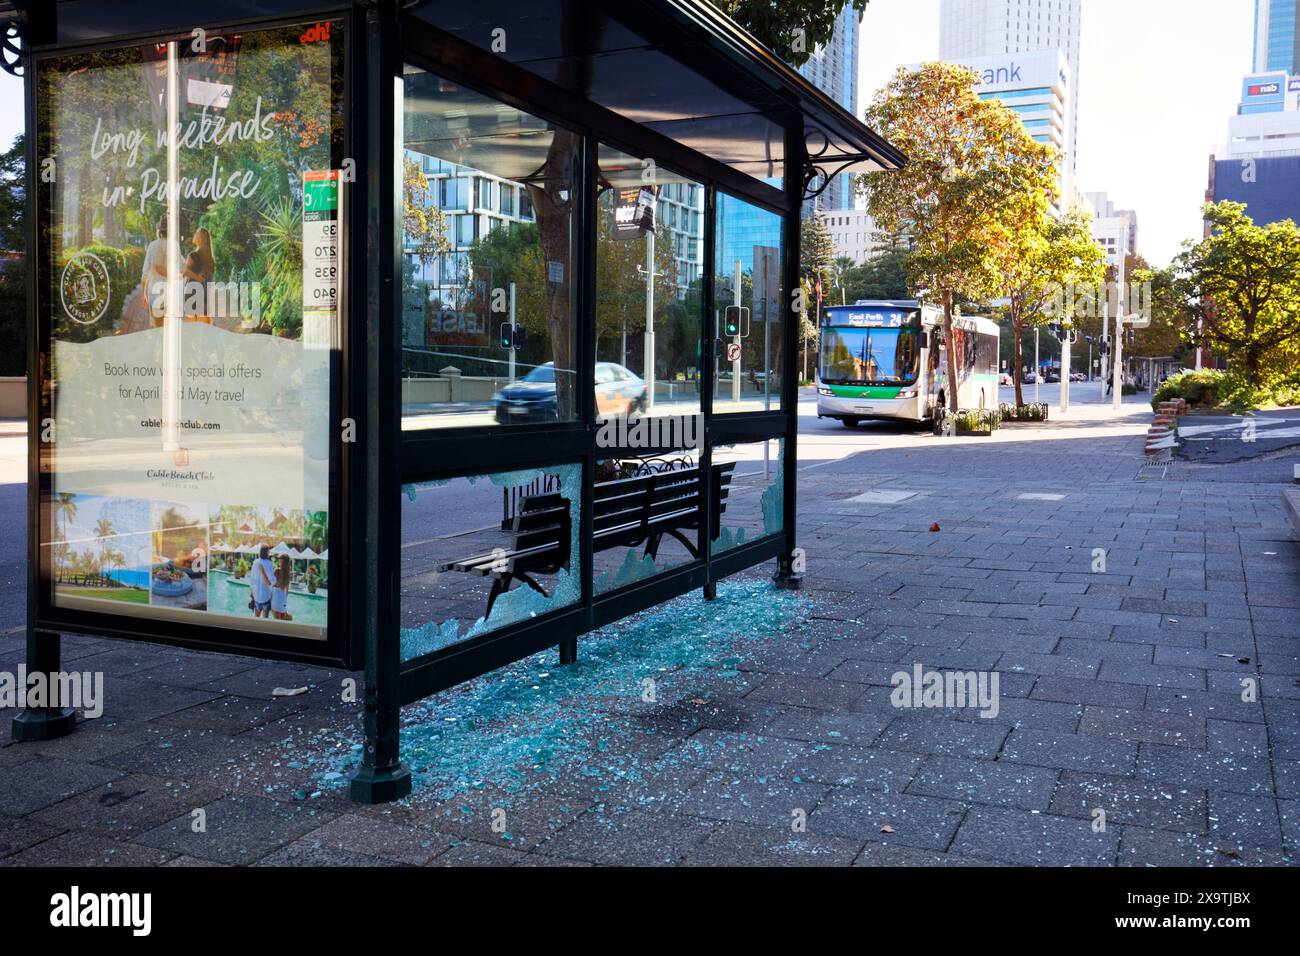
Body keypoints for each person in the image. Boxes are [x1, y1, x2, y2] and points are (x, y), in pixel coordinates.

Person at [183, 226, 215, 324]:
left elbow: (184, 271)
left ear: (200, 238)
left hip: (191, 293)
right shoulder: (211, 259)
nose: (194, 235)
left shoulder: (193, 256)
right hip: (205, 294)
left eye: (196, 233)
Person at [249, 544, 276, 619]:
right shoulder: (269, 563)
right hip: (265, 596)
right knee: (265, 619)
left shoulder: (255, 562)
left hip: (256, 595)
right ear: (267, 552)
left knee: (256, 617)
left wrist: (251, 592)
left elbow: (252, 578)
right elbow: (272, 581)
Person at [271, 554, 294, 622]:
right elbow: (287, 590)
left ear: (281, 561)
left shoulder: (277, 571)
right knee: (284, 620)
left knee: (277, 622)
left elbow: (271, 584)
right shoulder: (287, 573)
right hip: (283, 598)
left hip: (276, 597)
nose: (278, 560)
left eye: (279, 559)